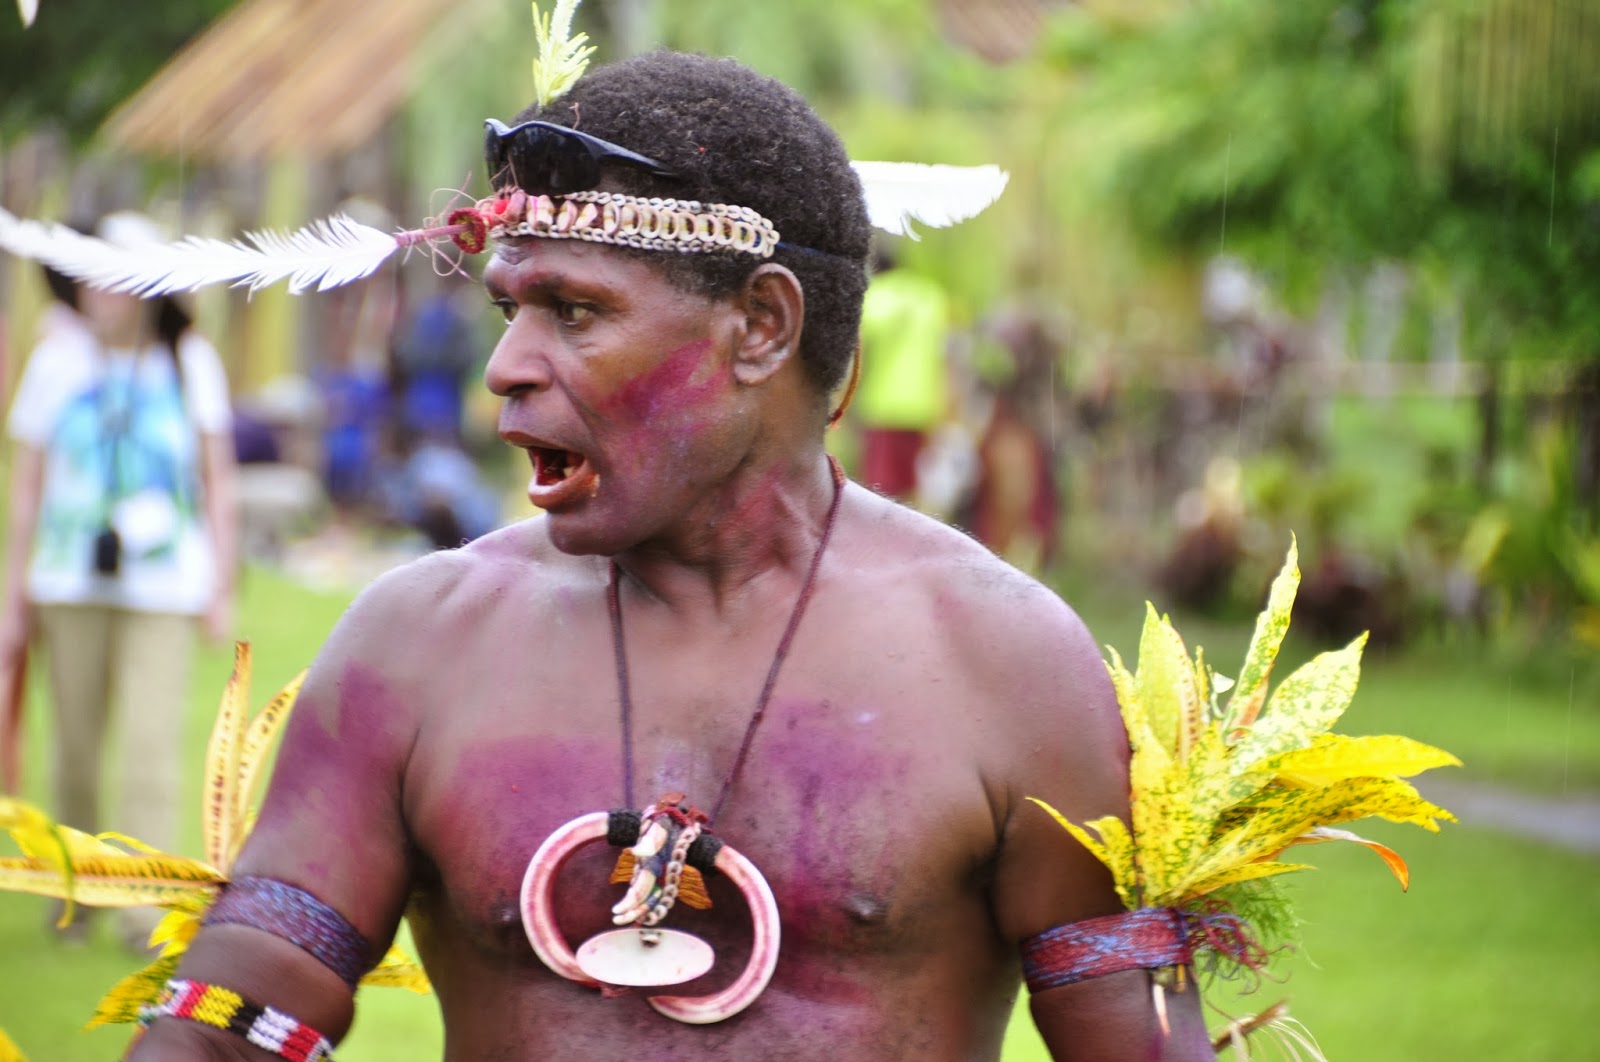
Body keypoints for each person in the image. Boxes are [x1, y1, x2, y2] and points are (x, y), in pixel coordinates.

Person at [128, 51, 1211, 1061]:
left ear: (761, 327)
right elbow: (250, 995)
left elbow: (1139, 1038)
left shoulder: (1005, 664)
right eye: (510, 306)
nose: (505, 365)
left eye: (575, 311)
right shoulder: (418, 644)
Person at [0, 212, 238, 948]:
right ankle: (72, 892)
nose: (106, 290)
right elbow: (29, 486)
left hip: (164, 582)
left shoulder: (188, 361)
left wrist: (221, 584)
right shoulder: (57, 363)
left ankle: (142, 906)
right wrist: (13, 597)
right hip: (68, 579)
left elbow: (216, 479)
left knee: (150, 744)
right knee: (71, 748)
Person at [853, 246, 954, 505]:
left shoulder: (875, 296)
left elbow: (860, 346)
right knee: (911, 486)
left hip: (885, 405)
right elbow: (944, 354)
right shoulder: (932, 297)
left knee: (881, 486)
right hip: (923, 405)